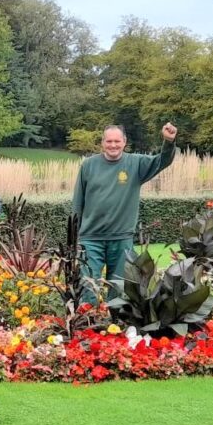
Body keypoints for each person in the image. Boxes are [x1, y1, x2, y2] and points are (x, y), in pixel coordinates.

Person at [70, 123, 177, 300]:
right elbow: (77, 202)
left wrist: (169, 141)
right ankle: (87, 324)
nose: (113, 145)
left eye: (117, 141)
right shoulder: (88, 166)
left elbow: (162, 161)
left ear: (124, 142)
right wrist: (74, 236)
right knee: (87, 287)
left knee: (119, 289)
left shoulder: (136, 164)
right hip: (90, 238)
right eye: (109, 141)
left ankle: (116, 325)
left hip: (121, 238)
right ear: (102, 143)